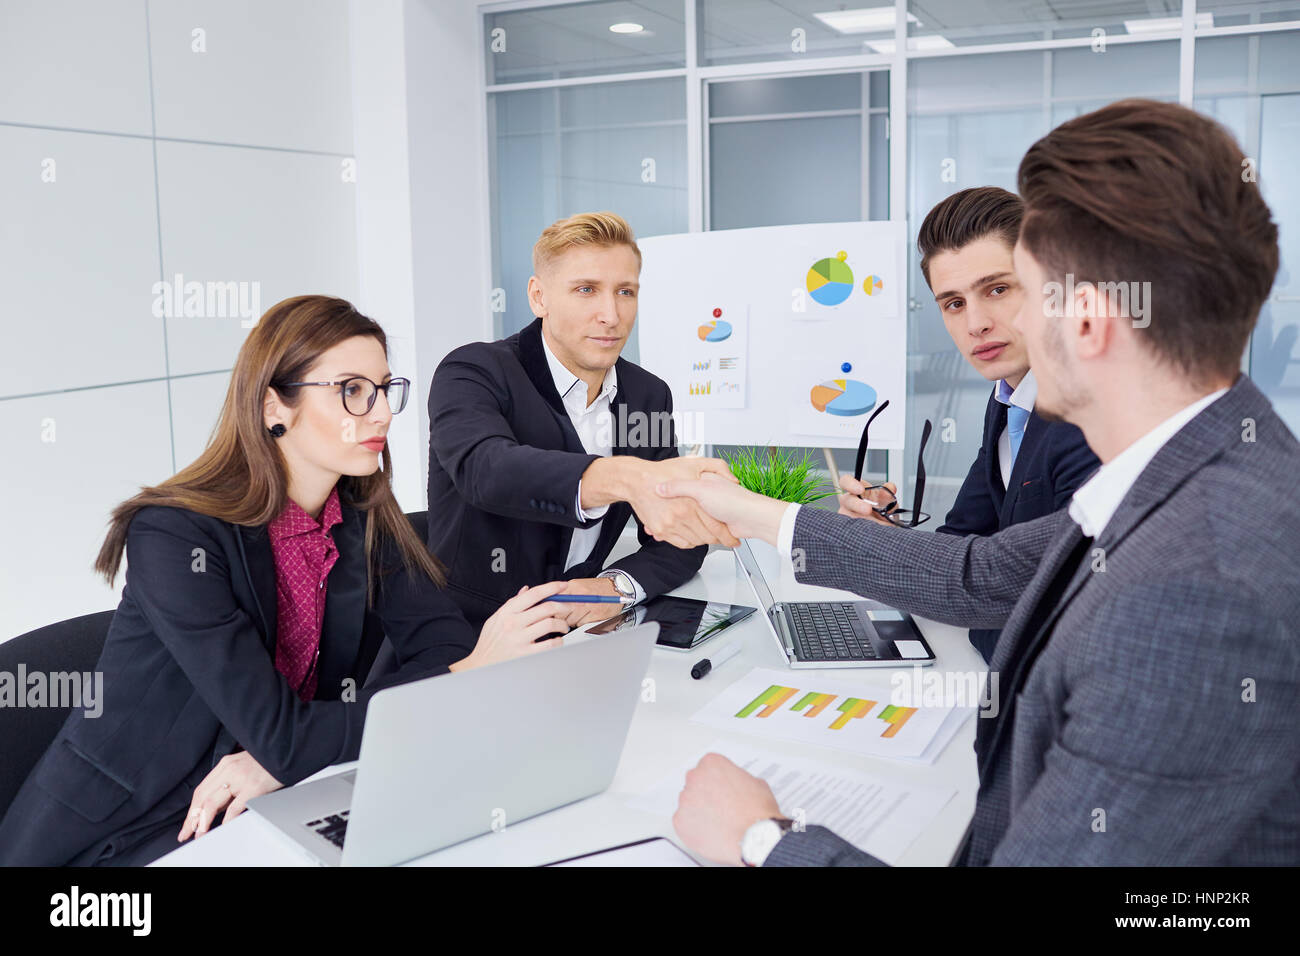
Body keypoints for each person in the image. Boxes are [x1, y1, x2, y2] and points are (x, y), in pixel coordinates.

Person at [661, 99, 1300, 866]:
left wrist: (761, 840)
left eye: (1020, 289)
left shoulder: (1192, 592)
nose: (995, 325)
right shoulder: (1205, 467)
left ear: (1087, 321)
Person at [0, 295, 569, 867]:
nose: (381, 414)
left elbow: (440, 646)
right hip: (121, 831)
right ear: (276, 406)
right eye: (352, 390)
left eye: (384, 388)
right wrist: (465, 676)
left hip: (262, 799)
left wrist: (279, 758)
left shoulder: (362, 513)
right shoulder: (175, 535)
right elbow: (296, 729)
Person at [425, 211, 738, 631]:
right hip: (467, 636)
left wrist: (616, 588)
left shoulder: (648, 395)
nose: (611, 315)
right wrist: (626, 476)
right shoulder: (474, 370)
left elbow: (678, 537)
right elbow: (488, 470)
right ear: (539, 297)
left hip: (582, 636)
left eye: (625, 291)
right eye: (586, 289)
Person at [840, 187, 1098, 663]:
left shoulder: (1094, 415)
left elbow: (1060, 630)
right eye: (953, 303)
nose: (975, 323)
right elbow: (961, 540)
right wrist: (884, 535)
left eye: (997, 289)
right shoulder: (1006, 399)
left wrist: (971, 604)